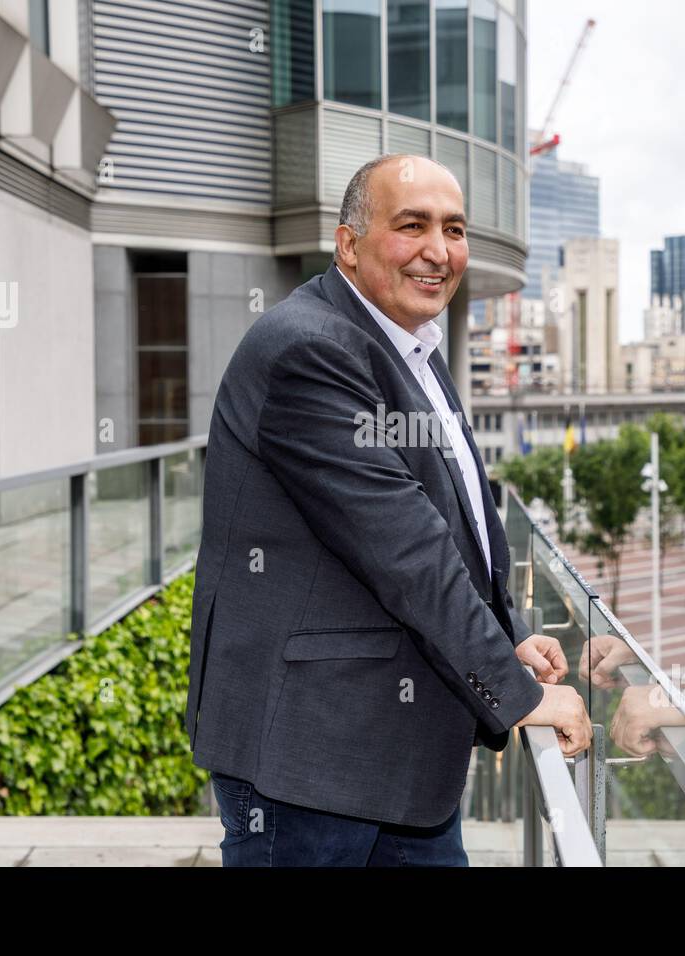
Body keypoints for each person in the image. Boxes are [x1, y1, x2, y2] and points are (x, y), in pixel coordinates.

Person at [184, 154, 591, 867]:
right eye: (412, 226)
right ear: (348, 243)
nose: (439, 250)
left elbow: (455, 514)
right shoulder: (308, 349)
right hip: (310, 766)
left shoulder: (409, 345)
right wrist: (518, 692)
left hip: (397, 763)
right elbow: (403, 547)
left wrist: (508, 633)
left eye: (454, 228)